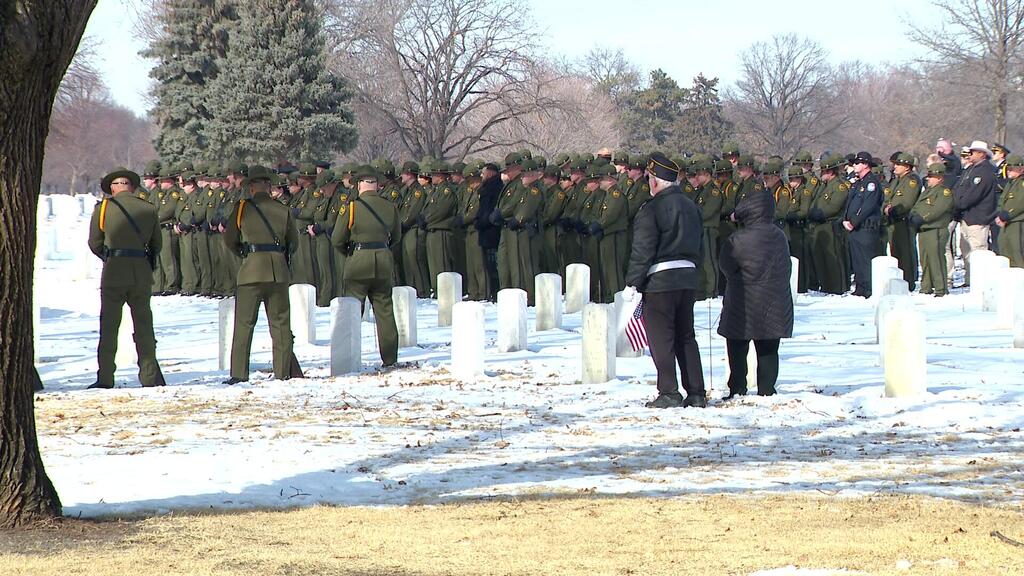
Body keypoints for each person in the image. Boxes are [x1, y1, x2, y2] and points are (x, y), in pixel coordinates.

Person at [624, 153, 705, 409]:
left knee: (662, 338)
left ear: (656, 182)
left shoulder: (652, 208)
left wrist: (633, 282)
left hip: (660, 280)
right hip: (687, 277)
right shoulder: (692, 206)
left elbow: (643, 248)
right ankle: (696, 392)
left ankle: (669, 391)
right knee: (686, 336)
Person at [222, 165, 302, 384]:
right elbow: (293, 243)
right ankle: (283, 372)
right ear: (269, 185)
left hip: (251, 272)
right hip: (277, 271)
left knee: (244, 325)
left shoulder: (241, 209)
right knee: (280, 325)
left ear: (250, 187)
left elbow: (230, 240)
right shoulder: (282, 209)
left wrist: (246, 254)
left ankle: (239, 373)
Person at [87, 168, 166, 389]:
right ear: (131, 186)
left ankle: (105, 378)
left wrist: (110, 256)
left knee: (109, 326)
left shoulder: (103, 209)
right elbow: (157, 245)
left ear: (113, 187)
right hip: (140, 272)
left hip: (114, 272)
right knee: (143, 325)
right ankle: (149, 376)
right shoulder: (148, 208)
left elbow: (94, 243)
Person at [718, 186, 793, 398]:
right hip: (773, 301)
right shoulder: (779, 236)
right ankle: (767, 389)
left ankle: (738, 387)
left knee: (737, 346)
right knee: (768, 349)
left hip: (743, 300)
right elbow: (785, 266)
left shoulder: (738, 239)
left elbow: (726, 265)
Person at [332, 166, 402, 366]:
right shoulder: (390, 207)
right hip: (383, 261)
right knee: (385, 311)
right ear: (376, 185)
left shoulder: (352, 207)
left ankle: (348, 359)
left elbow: (337, 239)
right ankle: (390, 359)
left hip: (358, 261)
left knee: (352, 311)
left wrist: (352, 252)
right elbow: (396, 237)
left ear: (360, 184)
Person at [954, 141, 998, 286]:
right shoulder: (971, 169)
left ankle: (981, 282)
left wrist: (959, 204)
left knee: (978, 251)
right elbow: (960, 189)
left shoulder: (985, 171)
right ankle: (970, 280)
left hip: (978, 217)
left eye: (973, 152)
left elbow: (974, 194)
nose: (970, 154)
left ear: (982, 154)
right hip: (966, 217)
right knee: (966, 252)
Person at [909, 163, 955, 296]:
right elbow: (917, 206)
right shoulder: (928, 191)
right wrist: (913, 216)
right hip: (924, 230)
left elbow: (938, 209)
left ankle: (941, 288)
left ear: (940, 178)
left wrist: (923, 218)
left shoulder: (944, 192)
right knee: (925, 260)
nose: (928, 179)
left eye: (932, 177)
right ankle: (926, 286)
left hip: (935, 230)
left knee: (936, 259)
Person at [843, 151, 883, 297]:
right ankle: (860, 286)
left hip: (866, 226)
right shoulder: (858, 182)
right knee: (857, 259)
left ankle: (868, 288)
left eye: (857, 163)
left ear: (865, 164)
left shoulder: (871, 183)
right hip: (855, 228)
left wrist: (853, 221)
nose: (854, 165)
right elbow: (851, 203)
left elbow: (868, 205)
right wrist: (846, 219)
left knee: (866, 259)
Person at [995, 154, 1024, 268]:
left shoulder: (1021, 184)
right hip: (1006, 222)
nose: (1008, 171)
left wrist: (1007, 215)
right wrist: (1000, 214)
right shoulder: (1010, 183)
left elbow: (1020, 203)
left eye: (1012, 169)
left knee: (1017, 254)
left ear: (1021, 169)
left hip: (1017, 222)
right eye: (1008, 168)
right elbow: (1002, 201)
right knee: (1005, 250)